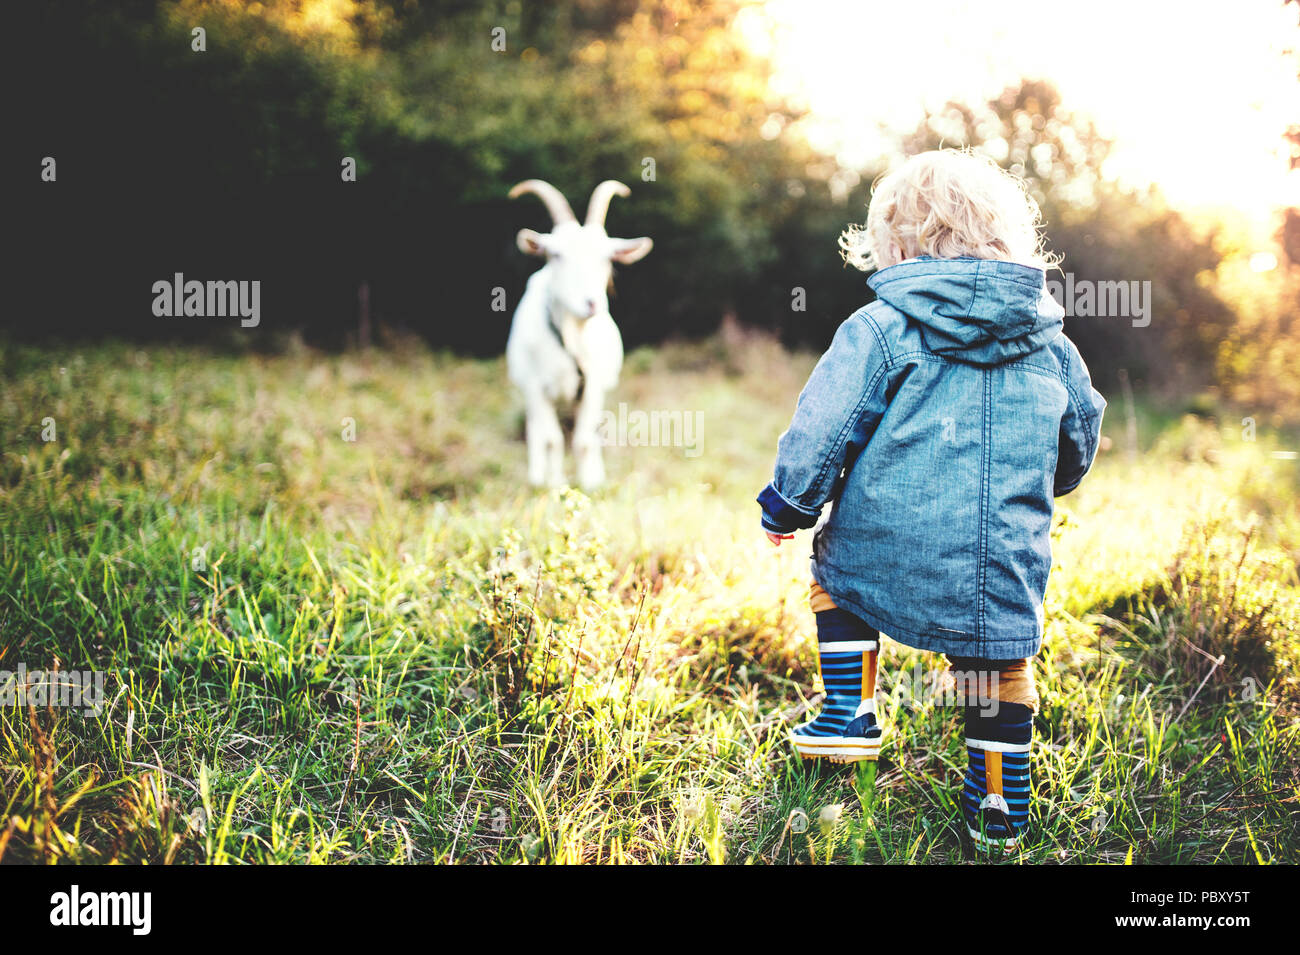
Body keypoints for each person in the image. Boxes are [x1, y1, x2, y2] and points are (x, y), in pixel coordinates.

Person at [758, 149, 1106, 851]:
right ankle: (999, 803)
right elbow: (1079, 438)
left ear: (898, 243)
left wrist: (789, 506)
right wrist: (1052, 479)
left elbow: (825, 425)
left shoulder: (881, 329)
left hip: (878, 550)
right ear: (1008, 236)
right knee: (998, 666)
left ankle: (849, 713)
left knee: (836, 581)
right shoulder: (1052, 343)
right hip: (998, 569)